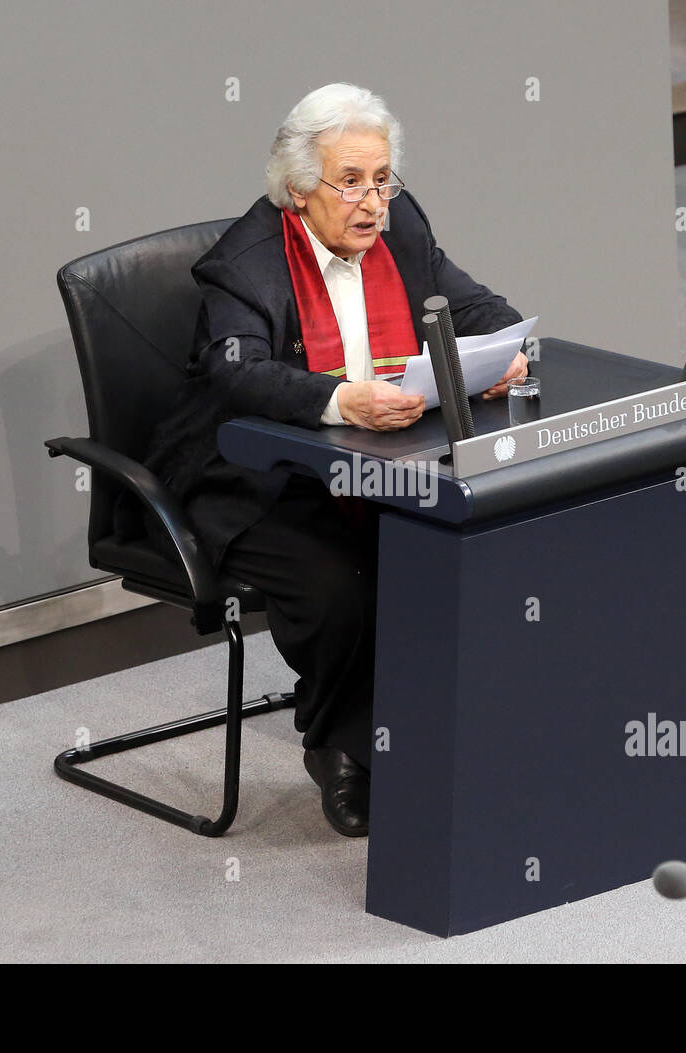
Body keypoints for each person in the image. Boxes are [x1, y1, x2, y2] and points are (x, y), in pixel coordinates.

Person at [140, 82, 526, 836]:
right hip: (249, 476)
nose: (373, 201)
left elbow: (479, 306)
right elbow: (236, 373)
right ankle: (342, 749)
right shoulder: (244, 264)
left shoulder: (401, 229)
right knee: (341, 584)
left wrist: (505, 351)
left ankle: (437, 729)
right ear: (297, 188)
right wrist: (340, 399)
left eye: (382, 179)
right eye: (350, 182)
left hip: (370, 466)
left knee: (462, 545)